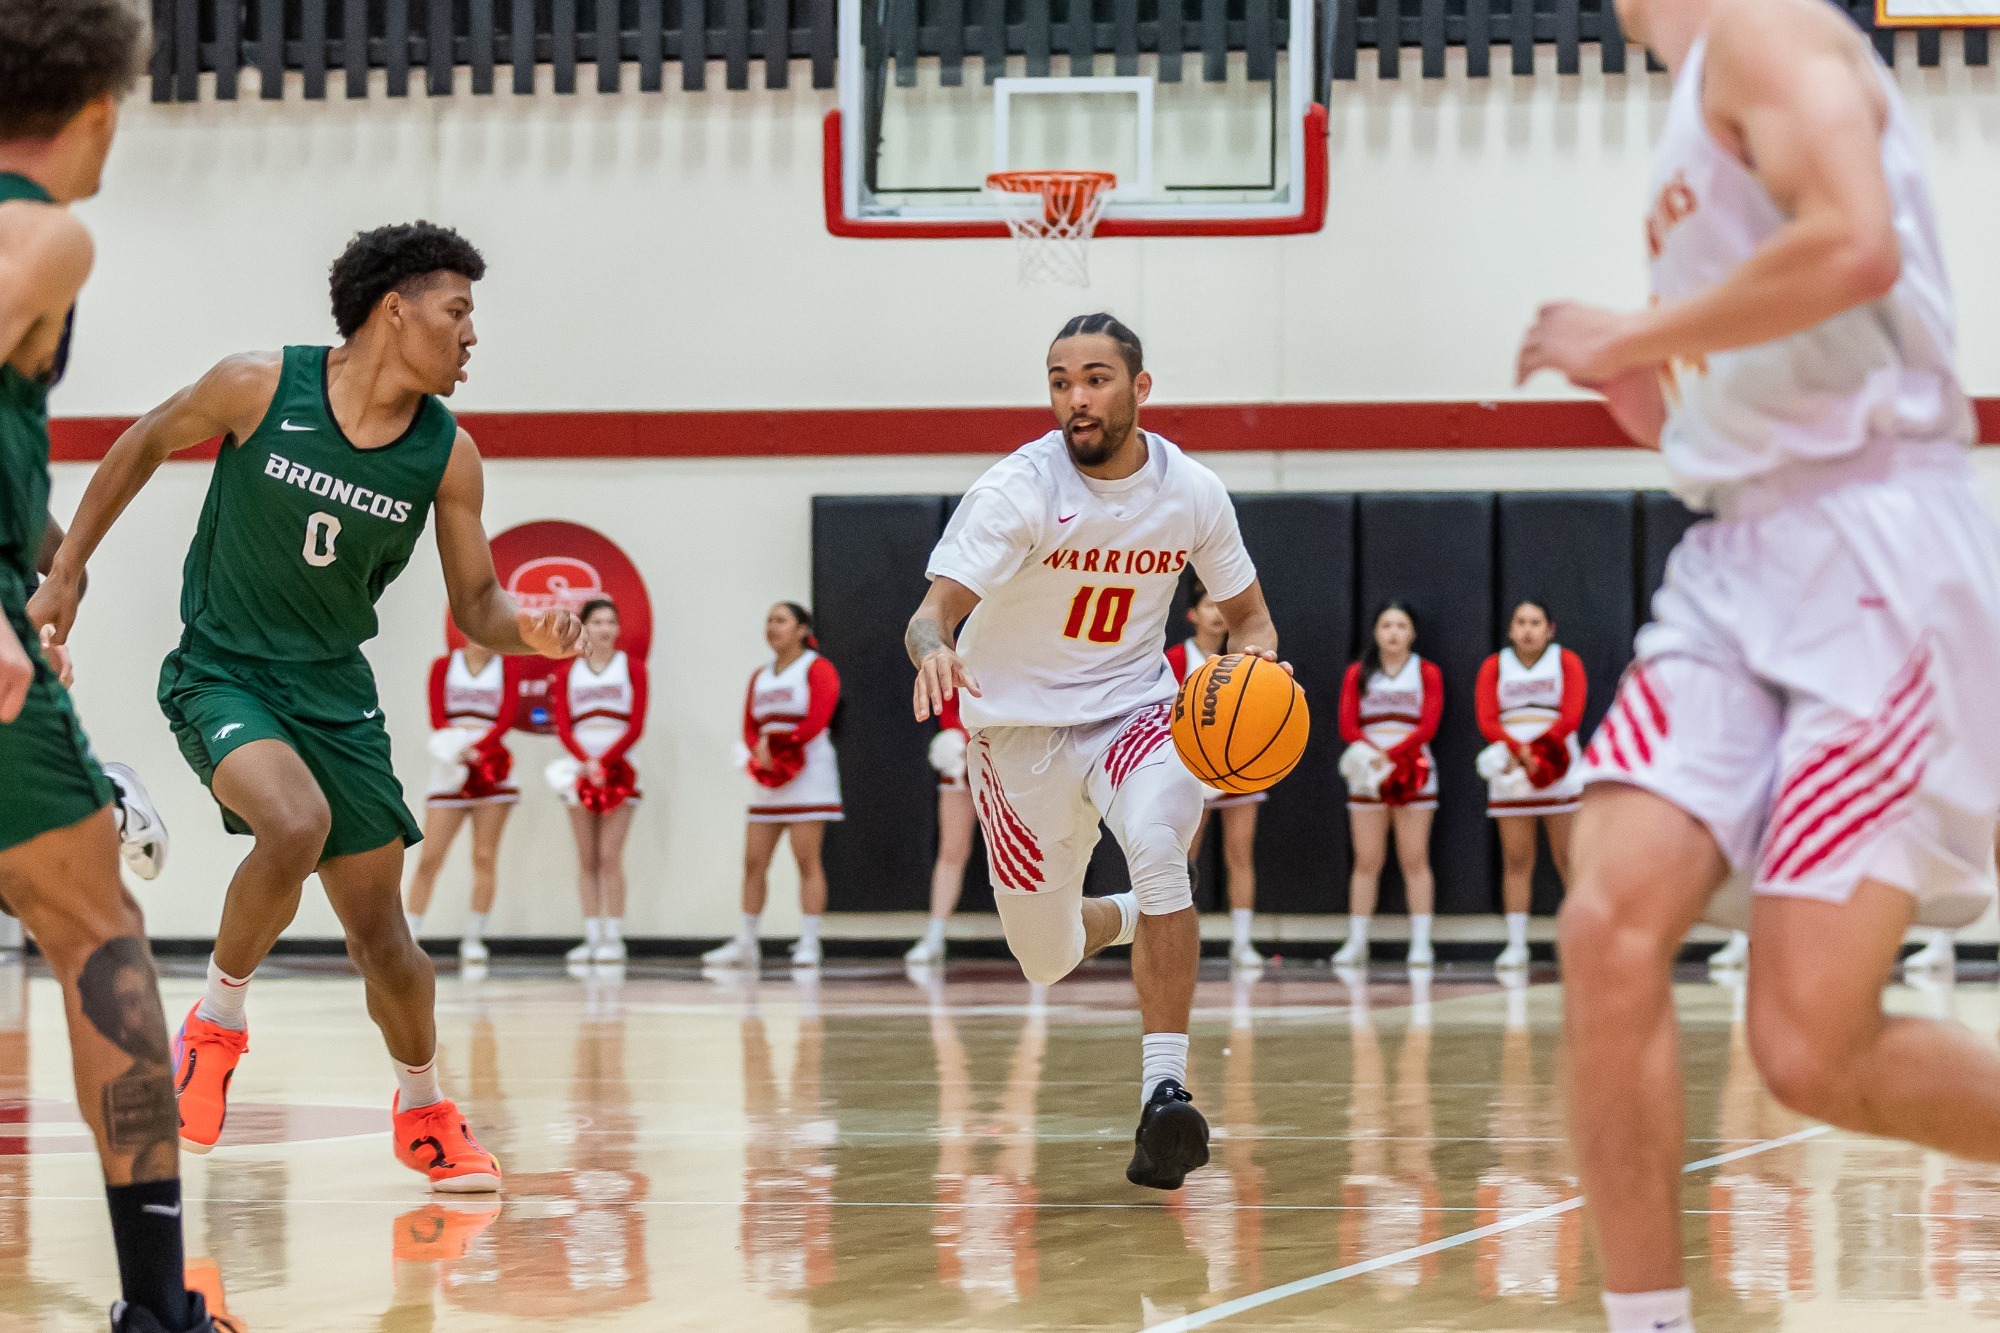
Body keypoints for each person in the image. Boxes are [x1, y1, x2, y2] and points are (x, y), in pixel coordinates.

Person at [1516, 0, 2000, 1323]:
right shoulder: (1691, 100)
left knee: (1807, 1050)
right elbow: (1764, 347)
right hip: (1738, 556)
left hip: (1873, 556)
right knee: (1608, 928)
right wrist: (1660, 396)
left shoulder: (1766, 29)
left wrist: (1626, 337)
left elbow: (1853, 244)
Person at [34, 222, 584, 1195]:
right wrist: (70, 563)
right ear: (395, 310)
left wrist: (528, 628)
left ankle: (425, 1114)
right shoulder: (259, 384)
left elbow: (477, 607)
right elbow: (141, 441)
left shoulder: (446, 457)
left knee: (390, 946)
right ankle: (215, 1025)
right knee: (293, 821)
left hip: (336, 695)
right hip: (224, 672)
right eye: (458, 312)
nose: (470, 337)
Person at [905, 312, 1283, 1191]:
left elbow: (1252, 618)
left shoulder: (1192, 491)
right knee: (1045, 955)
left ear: (1140, 389)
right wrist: (935, 653)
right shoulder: (1017, 490)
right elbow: (931, 614)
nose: (1076, 397)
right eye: (1060, 380)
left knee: (1161, 849)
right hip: (1017, 733)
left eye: (1096, 378)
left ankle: (1165, 1095)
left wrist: (1255, 668)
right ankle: (1117, 915)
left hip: (1134, 711)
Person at [0, 2, 238, 1327]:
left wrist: (37, 563)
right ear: (99, 110)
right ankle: (159, 1308)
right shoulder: (49, 227)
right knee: (102, 937)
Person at [705, 603, 843, 970]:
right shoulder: (759, 675)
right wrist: (758, 750)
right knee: (753, 861)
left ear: (802, 629)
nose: (772, 627)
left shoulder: (817, 667)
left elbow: (818, 718)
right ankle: (747, 942)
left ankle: (810, 942)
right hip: (769, 776)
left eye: (781, 620)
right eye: (768, 620)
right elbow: (750, 725)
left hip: (808, 773)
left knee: (806, 859)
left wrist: (784, 745)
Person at [1474, 598, 1587, 971]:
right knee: (1516, 859)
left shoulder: (1566, 661)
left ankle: (1579, 943)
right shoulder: (1494, 665)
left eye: (1535, 622)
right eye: (1520, 622)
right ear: (1510, 629)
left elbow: (1571, 715)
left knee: (1568, 860)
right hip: (1511, 768)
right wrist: (1519, 752)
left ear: (1550, 628)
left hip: (1557, 766)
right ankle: (1517, 944)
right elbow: (1488, 718)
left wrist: (1537, 751)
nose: (1527, 629)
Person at [1165, 578, 1267, 972]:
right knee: (1184, 858)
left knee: (1240, 855)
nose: (1217, 613)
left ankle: (1242, 944)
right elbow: (1164, 713)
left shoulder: (1247, 656)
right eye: (1209, 605)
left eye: (1222, 606)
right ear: (1192, 615)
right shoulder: (1177, 657)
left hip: (1238, 767)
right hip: (1191, 767)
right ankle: (1178, 940)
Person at [1335, 603, 1443, 968]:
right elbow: (1348, 726)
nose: (1394, 632)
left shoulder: (1426, 672)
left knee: (1415, 859)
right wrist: (1375, 754)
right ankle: (1357, 941)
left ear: (1412, 633)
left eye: (1401, 625)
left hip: (1414, 769)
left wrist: (1393, 753)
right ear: (1376, 632)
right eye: (1386, 625)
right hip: (1368, 772)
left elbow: (1428, 725)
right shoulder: (1357, 673)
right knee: (1366, 860)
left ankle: (1421, 943)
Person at [403, 638, 521, 964]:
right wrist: (461, 750)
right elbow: (437, 716)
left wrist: (480, 751)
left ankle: (473, 939)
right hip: (450, 764)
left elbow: (506, 717)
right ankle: (410, 934)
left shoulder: (506, 666)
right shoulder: (444, 666)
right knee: (430, 857)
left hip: (491, 764)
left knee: (484, 856)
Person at [549, 599, 647, 966]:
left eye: (611, 621)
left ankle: (614, 937)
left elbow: (635, 724)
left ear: (618, 628)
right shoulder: (565, 673)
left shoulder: (632, 668)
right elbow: (563, 724)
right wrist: (585, 762)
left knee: (610, 856)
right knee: (586, 857)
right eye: (597, 621)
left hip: (619, 768)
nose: (605, 628)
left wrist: (604, 762)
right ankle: (591, 936)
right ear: (584, 628)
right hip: (580, 769)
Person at [904, 691, 975, 966]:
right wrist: (961, 747)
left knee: (1015, 854)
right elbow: (948, 709)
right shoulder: (956, 657)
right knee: (951, 852)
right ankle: (934, 937)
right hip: (961, 760)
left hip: (1004, 757)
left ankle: (1035, 940)